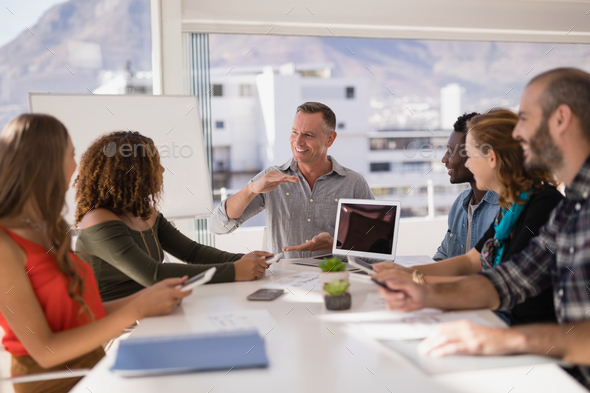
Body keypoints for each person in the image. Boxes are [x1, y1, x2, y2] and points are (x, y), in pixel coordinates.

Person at [374, 68, 590, 389]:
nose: (518, 134)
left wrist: (505, 341)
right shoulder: (571, 207)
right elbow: (512, 279)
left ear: (560, 118)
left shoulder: (553, 204)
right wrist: (424, 291)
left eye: (526, 119)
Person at [0, 114, 191, 393]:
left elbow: (84, 313)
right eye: (71, 155)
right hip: (55, 384)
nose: (76, 166)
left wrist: (147, 297)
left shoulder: (50, 229)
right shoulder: (5, 245)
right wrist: (136, 310)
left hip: (94, 369)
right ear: (45, 163)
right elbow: (45, 351)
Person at [375, 109, 562, 326]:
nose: (467, 164)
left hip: (529, 335)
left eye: (471, 156)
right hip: (501, 322)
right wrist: (406, 273)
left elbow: (500, 284)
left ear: (491, 158)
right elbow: (472, 260)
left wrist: (415, 282)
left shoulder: (543, 205)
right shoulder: (513, 204)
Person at [74, 131, 272, 302]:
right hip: (114, 327)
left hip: (152, 313)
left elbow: (193, 253)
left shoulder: (145, 212)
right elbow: (154, 275)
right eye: (155, 165)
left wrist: (247, 260)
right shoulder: (98, 220)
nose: (161, 170)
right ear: (132, 174)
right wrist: (235, 270)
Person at [209, 102, 374, 259]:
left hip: (333, 281)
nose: (298, 141)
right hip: (283, 282)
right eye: (295, 132)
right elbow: (217, 226)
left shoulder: (354, 184)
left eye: (308, 135)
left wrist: (336, 245)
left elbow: (375, 250)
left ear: (330, 139)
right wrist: (250, 189)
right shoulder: (271, 177)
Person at [433, 112, 499, 261]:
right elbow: (444, 254)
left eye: (451, 151)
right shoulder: (460, 203)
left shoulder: (504, 209)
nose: (444, 159)